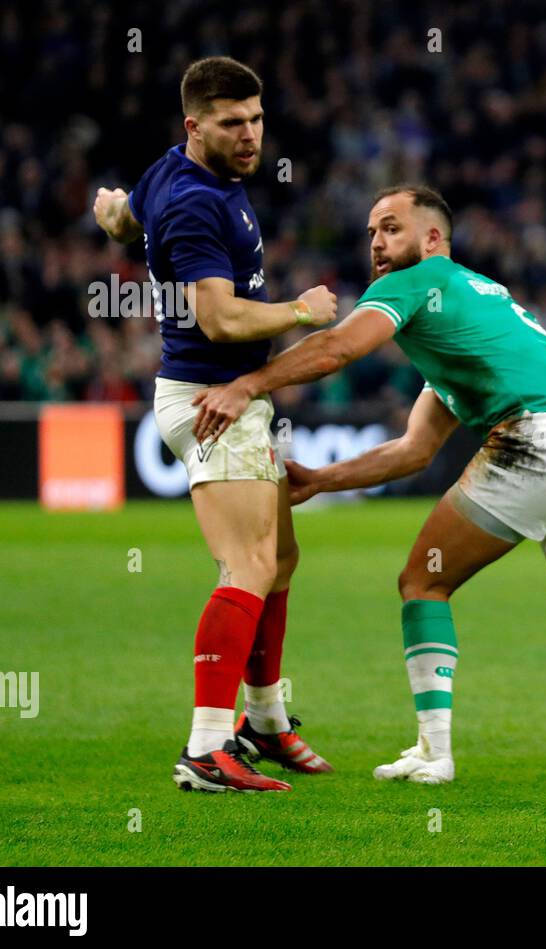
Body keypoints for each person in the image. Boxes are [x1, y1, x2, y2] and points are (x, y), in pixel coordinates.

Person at [190, 184, 546, 785]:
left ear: (433, 240)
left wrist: (247, 384)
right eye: (372, 233)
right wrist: (323, 480)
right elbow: (415, 449)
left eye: (391, 228)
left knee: (421, 582)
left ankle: (435, 751)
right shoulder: (474, 305)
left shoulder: (409, 286)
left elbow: (335, 348)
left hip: (542, 441)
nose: (378, 244)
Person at [93, 56, 337, 793]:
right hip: (210, 398)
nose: (251, 135)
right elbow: (219, 315)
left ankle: (263, 719)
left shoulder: (169, 171)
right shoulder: (199, 200)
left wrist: (112, 216)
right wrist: (301, 311)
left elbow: (125, 216)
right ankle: (205, 747)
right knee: (248, 567)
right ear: (194, 125)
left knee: (280, 559)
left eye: (258, 120)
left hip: (226, 394)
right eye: (233, 123)